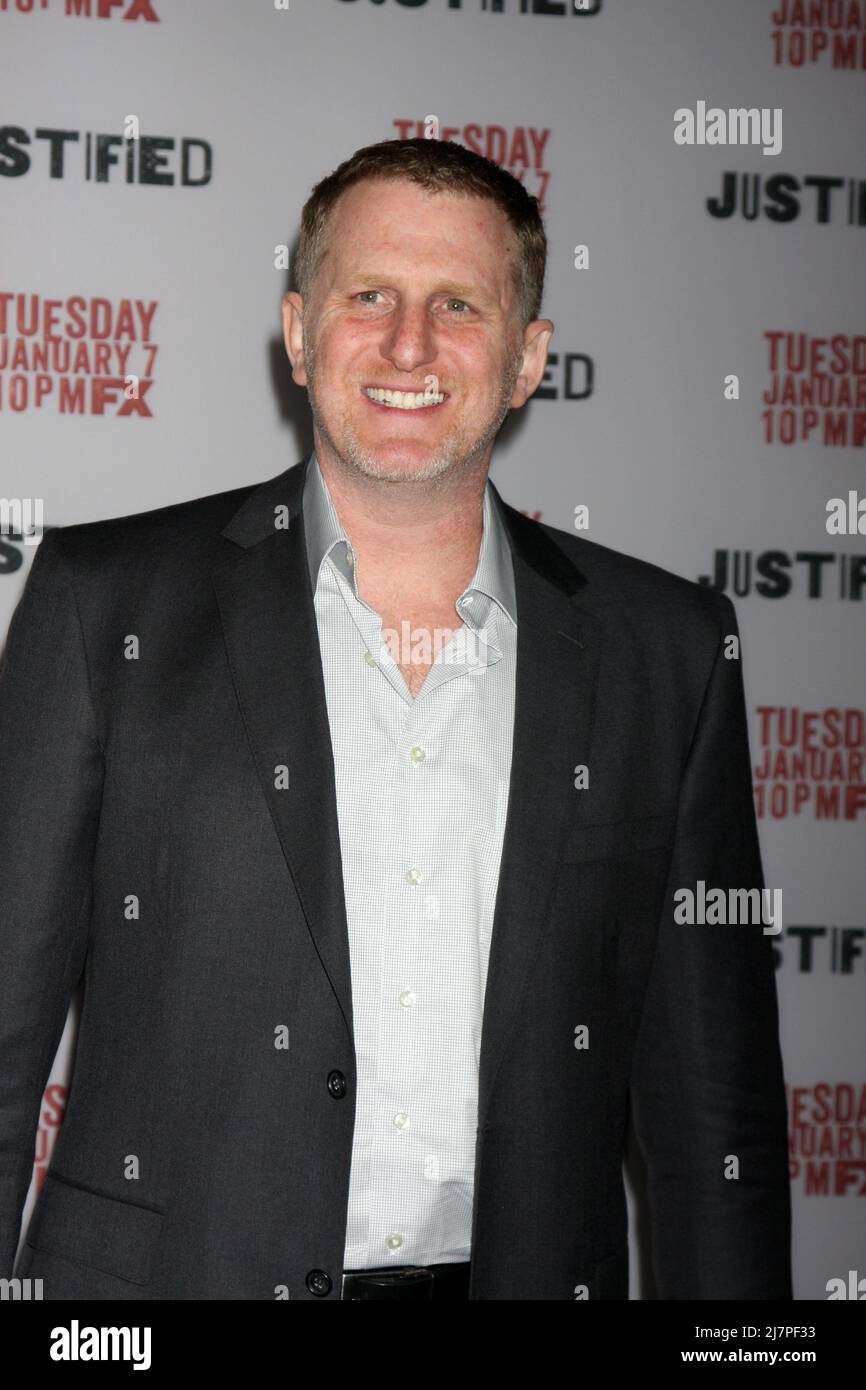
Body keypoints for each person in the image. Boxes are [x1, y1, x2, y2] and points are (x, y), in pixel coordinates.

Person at [0, 138, 791, 1300]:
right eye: (368, 294)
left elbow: (712, 1101)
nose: (408, 344)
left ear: (526, 361)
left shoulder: (664, 652)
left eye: (457, 305)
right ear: (299, 329)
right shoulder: (102, 602)